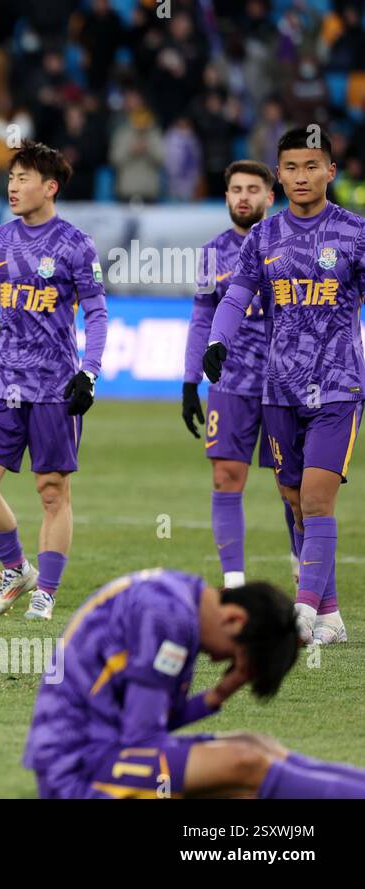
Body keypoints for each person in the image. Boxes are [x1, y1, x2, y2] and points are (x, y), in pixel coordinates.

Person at [205, 127, 364, 645]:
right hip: (279, 391)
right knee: (294, 500)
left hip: (337, 387)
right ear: (280, 173)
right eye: (291, 167)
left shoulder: (354, 233)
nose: (301, 176)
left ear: (330, 172)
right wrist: (217, 342)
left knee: (317, 502)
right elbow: (235, 297)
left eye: (311, 166)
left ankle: (300, 613)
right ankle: (332, 616)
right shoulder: (264, 237)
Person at [24, 568, 365, 798]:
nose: (219, 663)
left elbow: (147, 723)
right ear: (234, 619)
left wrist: (218, 694)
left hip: (104, 751)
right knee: (246, 760)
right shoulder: (169, 618)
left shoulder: (181, 599)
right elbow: (142, 738)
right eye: (233, 658)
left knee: (257, 745)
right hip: (77, 771)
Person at [0, 140, 109, 622]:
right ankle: (17, 569)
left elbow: (98, 312)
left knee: (51, 490)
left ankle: (47, 591)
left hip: (55, 389)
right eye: (10, 178)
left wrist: (89, 373)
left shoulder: (75, 244)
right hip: (2, 385)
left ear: (51, 187)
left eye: (23, 179)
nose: (13, 187)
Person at [182, 160, 299, 589]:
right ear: (227, 196)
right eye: (236, 189)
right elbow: (201, 318)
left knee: (293, 485)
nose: (244, 196)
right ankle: (233, 583)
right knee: (225, 477)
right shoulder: (213, 252)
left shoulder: (290, 244)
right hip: (231, 383)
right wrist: (190, 381)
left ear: (271, 197)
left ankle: (302, 570)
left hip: (286, 383)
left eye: (253, 189)